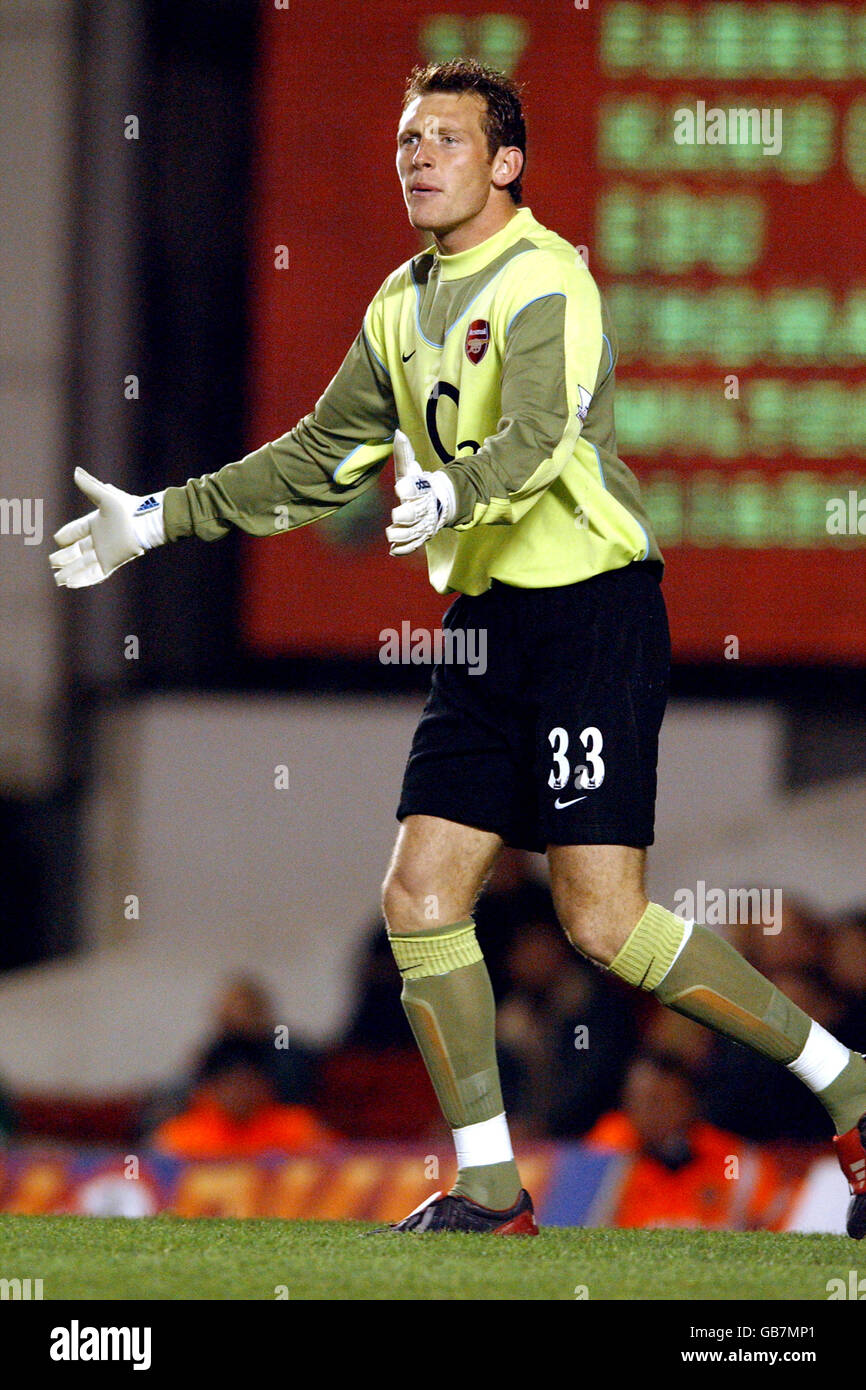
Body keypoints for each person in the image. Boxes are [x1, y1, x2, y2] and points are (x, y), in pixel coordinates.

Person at [50, 59, 866, 1237]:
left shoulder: (548, 278)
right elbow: (315, 458)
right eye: (405, 141)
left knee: (602, 921)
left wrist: (459, 494)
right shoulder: (398, 304)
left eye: (445, 136)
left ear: (505, 162)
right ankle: (491, 1189)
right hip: (484, 626)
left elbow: (535, 435)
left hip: (589, 608)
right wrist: (159, 516)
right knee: (420, 896)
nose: (418, 156)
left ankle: (843, 1080)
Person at [148, 1035, 332, 1159]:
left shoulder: (298, 1128)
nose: (241, 1092)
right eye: (232, 1083)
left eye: (249, 1082)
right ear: (210, 1088)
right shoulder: (179, 1137)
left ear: (266, 1085)